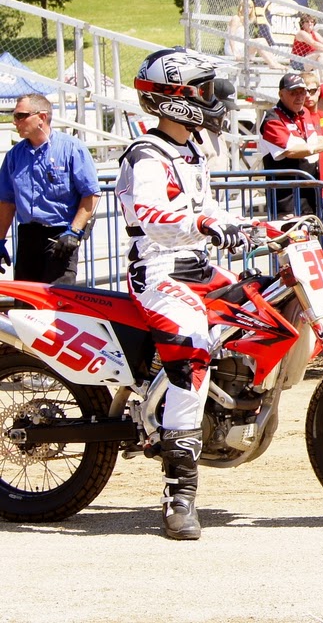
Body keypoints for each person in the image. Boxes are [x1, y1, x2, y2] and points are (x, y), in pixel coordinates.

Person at [117, 47, 254, 540]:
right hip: (158, 273)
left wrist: (258, 226)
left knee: (260, 306)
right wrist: (203, 224)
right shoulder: (146, 155)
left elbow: (211, 208)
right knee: (193, 351)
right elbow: (154, 216)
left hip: (198, 269)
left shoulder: (192, 151)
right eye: (207, 90)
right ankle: (180, 495)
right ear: (177, 98)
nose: (217, 99)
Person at [0, 93, 100, 285]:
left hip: (61, 236)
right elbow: (7, 201)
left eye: (21, 116)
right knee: (26, 305)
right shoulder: (14, 156)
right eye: (14, 116)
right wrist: (0, 240)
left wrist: (74, 231)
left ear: (42, 117)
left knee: (58, 303)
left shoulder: (71, 148)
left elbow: (91, 195)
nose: (15, 122)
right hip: (28, 236)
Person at [258, 73, 323, 217]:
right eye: (293, 93)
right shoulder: (272, 118)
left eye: (302, 92)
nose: (300, 97)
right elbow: (291, 150)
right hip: (286, 202)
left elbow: (318, 140)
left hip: (310, 197)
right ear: (281, 94)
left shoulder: (304, 112)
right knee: (290, 238)